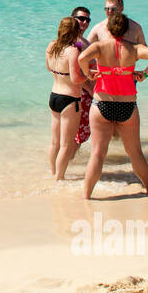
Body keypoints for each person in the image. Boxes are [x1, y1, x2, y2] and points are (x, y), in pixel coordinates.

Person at [76, 12, 148, 199]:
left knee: (97, 153)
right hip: (127, 106)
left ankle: (86, 195)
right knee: (135, 152)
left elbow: (81, 58)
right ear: (126, 29)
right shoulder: (135, 48)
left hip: (102, 104)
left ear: (108, 28)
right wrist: (145, 74)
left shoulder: (99, 46)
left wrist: (89, 73)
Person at [45, 16, 87, 180]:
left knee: (54, 142)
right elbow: (76, 79)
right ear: (75, 31)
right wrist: (89, 76)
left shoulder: (51, 46)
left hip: (54, 95)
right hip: (70, 99)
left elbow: (49, 67)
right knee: (66, 144)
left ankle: (53, 172)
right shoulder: (72, 51)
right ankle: (60, 178)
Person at [70, 6, 95, 148]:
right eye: (81, 19)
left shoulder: (84, 41)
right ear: (73, 19)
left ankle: (70, 166)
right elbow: (78, 71)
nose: (84, 22)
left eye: (87, 20)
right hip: (81, 94)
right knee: (76, 135)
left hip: (86, 93)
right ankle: (68, 166)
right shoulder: (76, 43)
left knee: (79, 136)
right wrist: (92, 92)